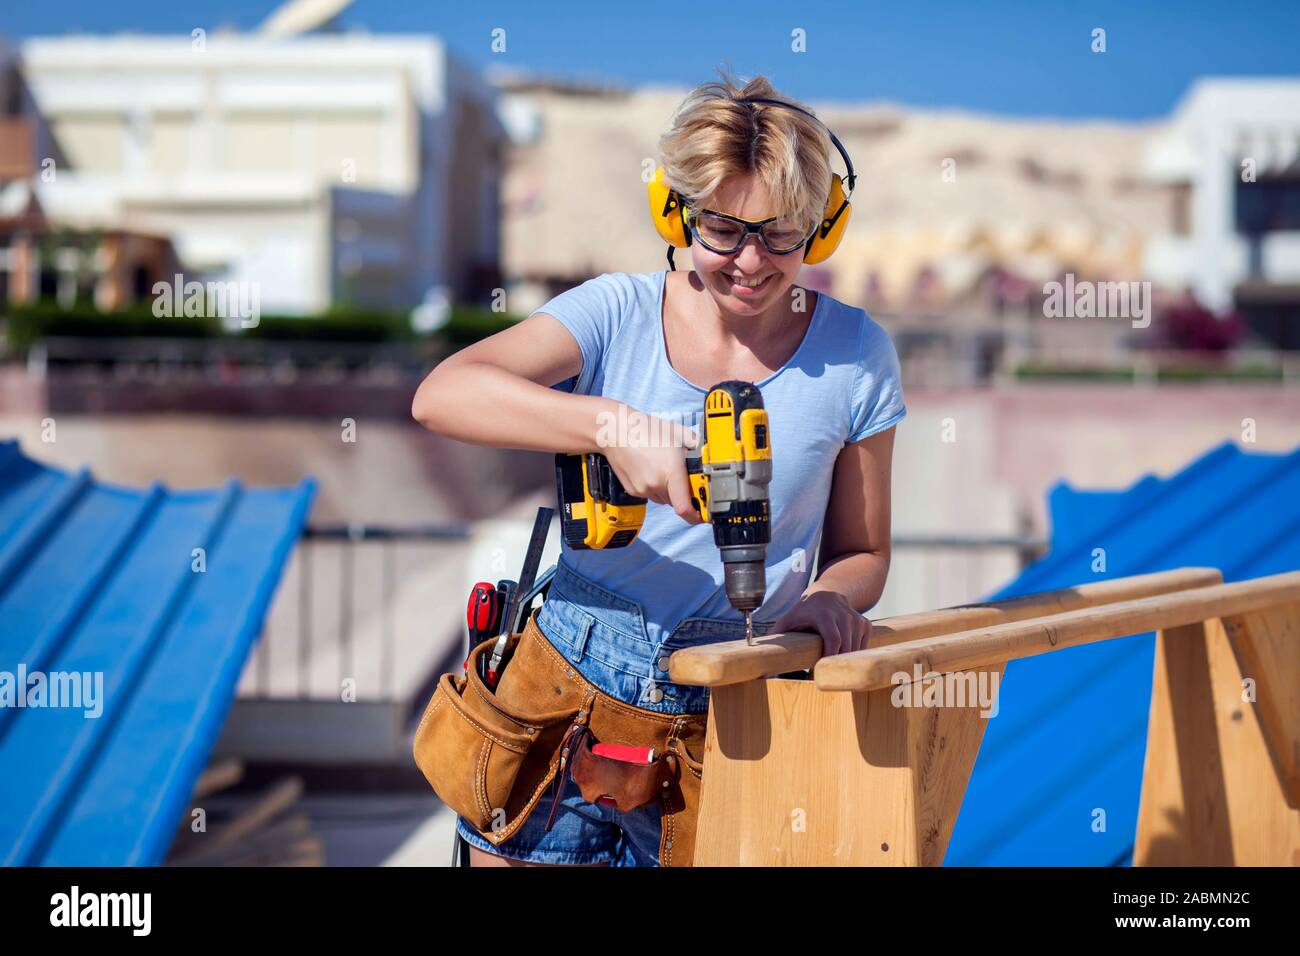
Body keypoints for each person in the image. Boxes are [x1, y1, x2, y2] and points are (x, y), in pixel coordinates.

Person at [411, 69, 906, 867]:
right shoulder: (616, 312)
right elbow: (443, 394)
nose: (751, 260)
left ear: (824, 226)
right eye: (722, 229)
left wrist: (825, 602)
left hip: (734, 698)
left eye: (782, 232)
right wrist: (607, 425)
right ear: (675, 215)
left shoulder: (857, 355)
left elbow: (865, 551)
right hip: (563, 686)